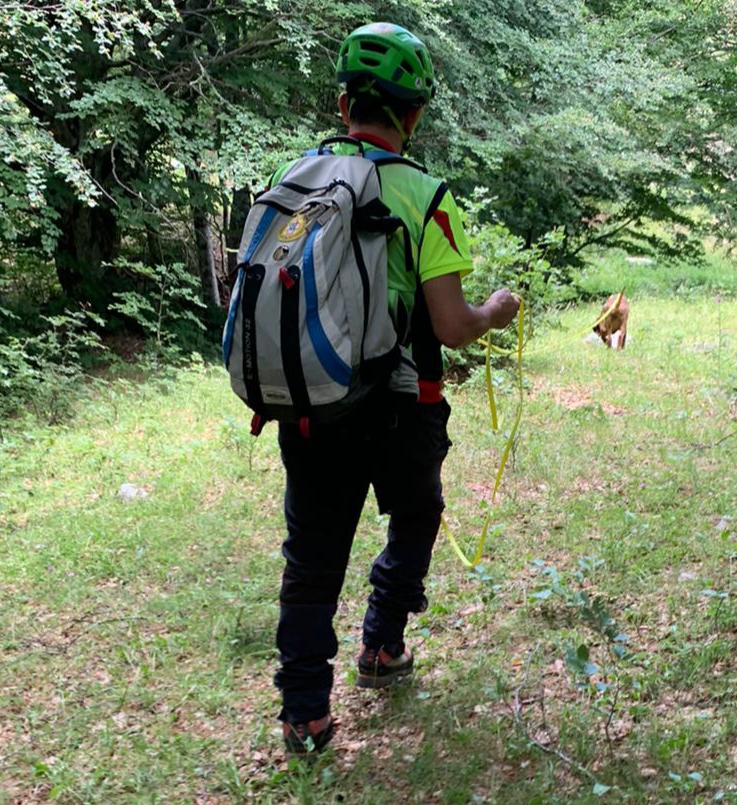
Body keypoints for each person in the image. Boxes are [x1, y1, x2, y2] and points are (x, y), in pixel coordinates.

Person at [270, 22, 520, 755]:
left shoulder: (297, 180)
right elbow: (448, 326)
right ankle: (382, 645)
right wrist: (496, 311)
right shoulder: (427, 195)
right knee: (417, 516)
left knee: (311, 556)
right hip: (404, 406)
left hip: (312, 402)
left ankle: (305, 715)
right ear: (412, 116)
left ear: (342, 102)